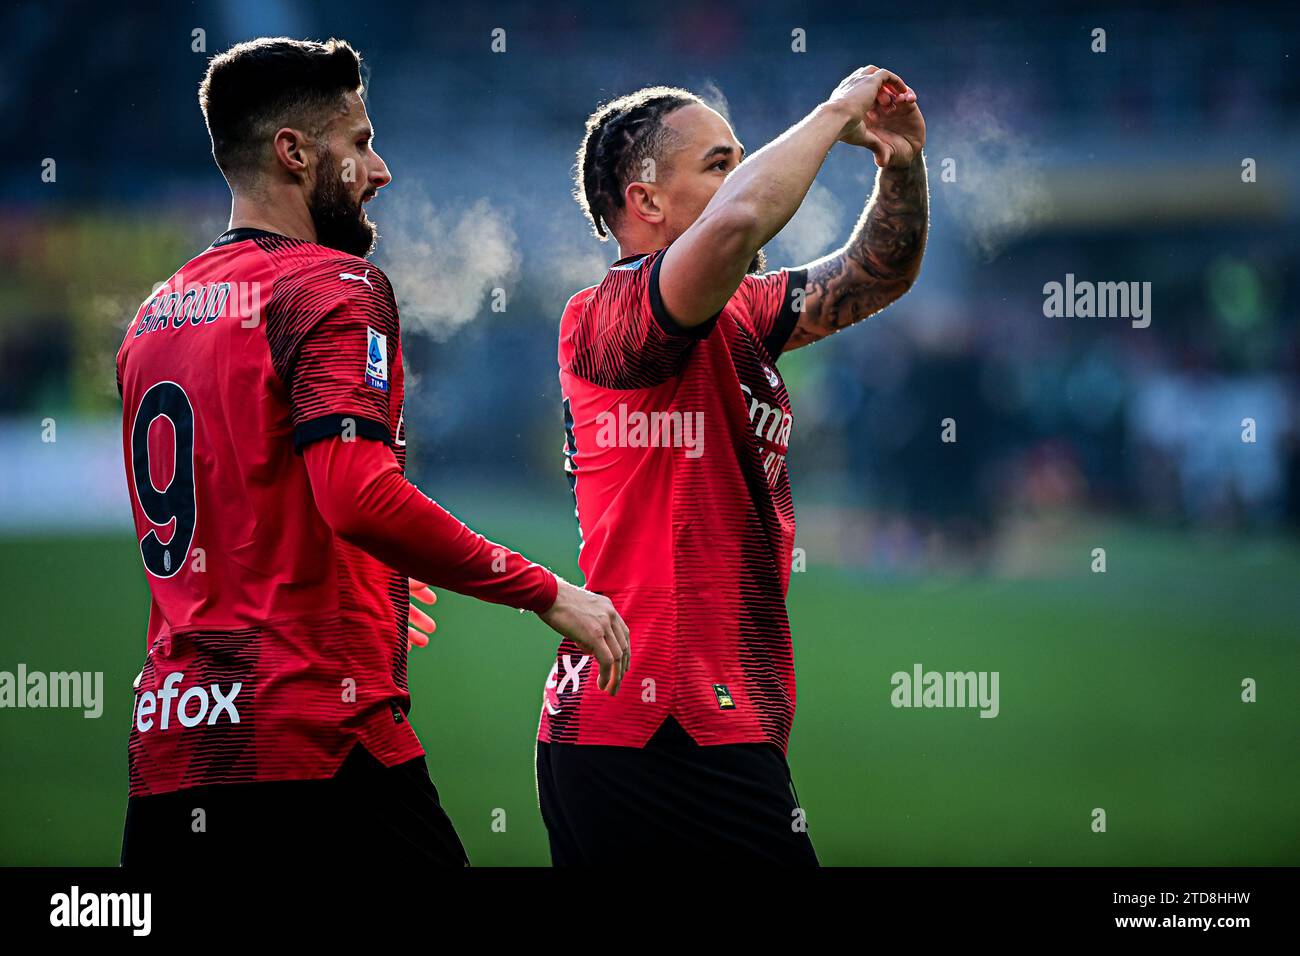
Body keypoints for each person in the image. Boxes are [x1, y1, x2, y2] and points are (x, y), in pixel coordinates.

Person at [116, 36, 628, 868]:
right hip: (317, 743)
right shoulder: (330, 285)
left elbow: (250, 497)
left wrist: (369, 576)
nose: (379, 168)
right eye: (358, 142)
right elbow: (356, 495)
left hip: (175, 748)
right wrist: (544, 591)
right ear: (294, 152)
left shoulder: (155, 314)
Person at [537, 66, 928, 864]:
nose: (742, 178)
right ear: (645, 201)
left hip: (696, 713)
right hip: (658, 716)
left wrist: (901, 164)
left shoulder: (739, 308)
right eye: (720, 162)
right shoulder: (607, 314)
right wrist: (833, 109)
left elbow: (879, 272)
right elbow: (742, 218)